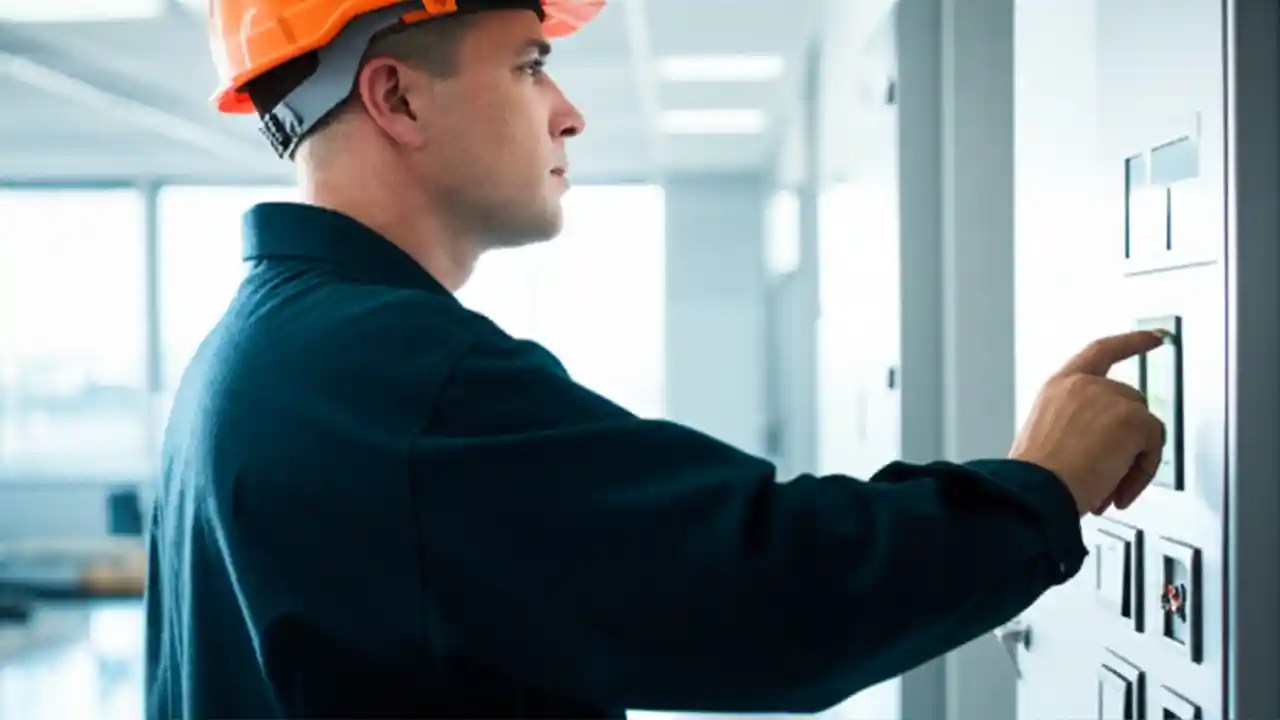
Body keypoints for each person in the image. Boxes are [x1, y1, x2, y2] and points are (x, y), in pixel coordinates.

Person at [144, 0, 1169, 717]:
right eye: (528, 63)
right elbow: (773, 593)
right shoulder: (401, 380)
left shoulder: (252, 355)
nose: (568, 111)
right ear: (397, 99)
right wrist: (1039, 488)